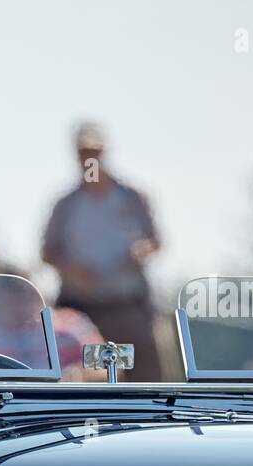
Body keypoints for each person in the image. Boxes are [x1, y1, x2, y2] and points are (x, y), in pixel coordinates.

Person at [41, 121, 162, 381]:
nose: (90, 160)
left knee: (143, 382)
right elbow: (47, 252)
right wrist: (72, 269)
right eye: (84, 154)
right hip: (87, 315)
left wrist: (139, 251)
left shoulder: (132, 197)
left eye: (95, 153)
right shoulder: (67, 205)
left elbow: (155, 240)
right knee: (96, 379)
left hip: (127, 309)